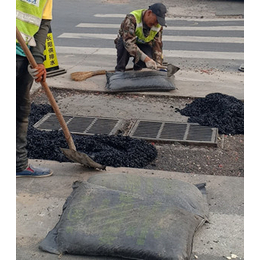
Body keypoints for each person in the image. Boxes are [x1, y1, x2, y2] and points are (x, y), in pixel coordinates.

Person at [16, 0, 53, 177]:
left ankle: (18, 164)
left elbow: (43, 24)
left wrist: (38, 60)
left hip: (24, 55)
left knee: (21, 110)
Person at [114, 3, 167, 72]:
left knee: (148, 59)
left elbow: (157, 46)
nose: (155, 24)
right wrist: (146, 59)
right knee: (123, 43)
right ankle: (120, 70)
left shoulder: (158, 26)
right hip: (127, 45)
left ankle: (138, 69)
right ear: (149, 13)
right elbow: (128, 43)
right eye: (156, 20)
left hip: (143, 45)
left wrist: (158, 64)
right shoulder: (131, 19)